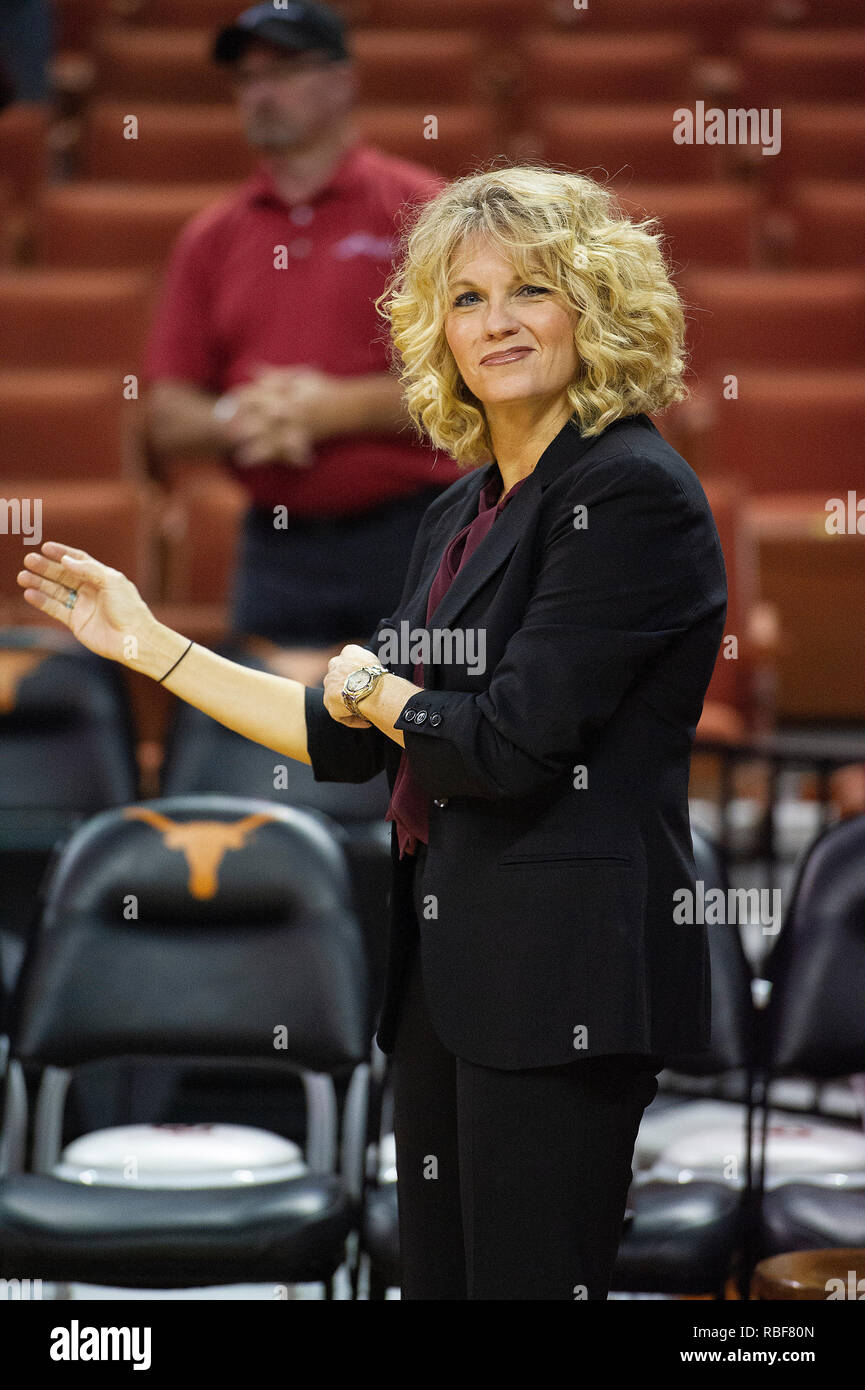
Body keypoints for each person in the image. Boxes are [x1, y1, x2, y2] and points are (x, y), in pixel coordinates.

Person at [19, 164, 728, 1301]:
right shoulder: (462, 505)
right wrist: (150, 645)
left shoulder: (632, 493)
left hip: (561, 985)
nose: (494, 323)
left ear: (594, 305)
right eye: (464, 298)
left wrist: (383, 694)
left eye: (530, 290)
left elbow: (504, 744)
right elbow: (345, 739)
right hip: (449, 981)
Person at [143, 2, 459, 684]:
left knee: (422, 751)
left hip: (415, 535)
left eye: (283, 70)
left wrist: (330, 411)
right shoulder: (211, 236)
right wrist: (243, 416)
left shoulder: (424, 211)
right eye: (245, 77)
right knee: (258, 747)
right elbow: (167, 415)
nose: (259, 91)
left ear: (343, 82)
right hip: (274, 545)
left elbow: (471, 381)